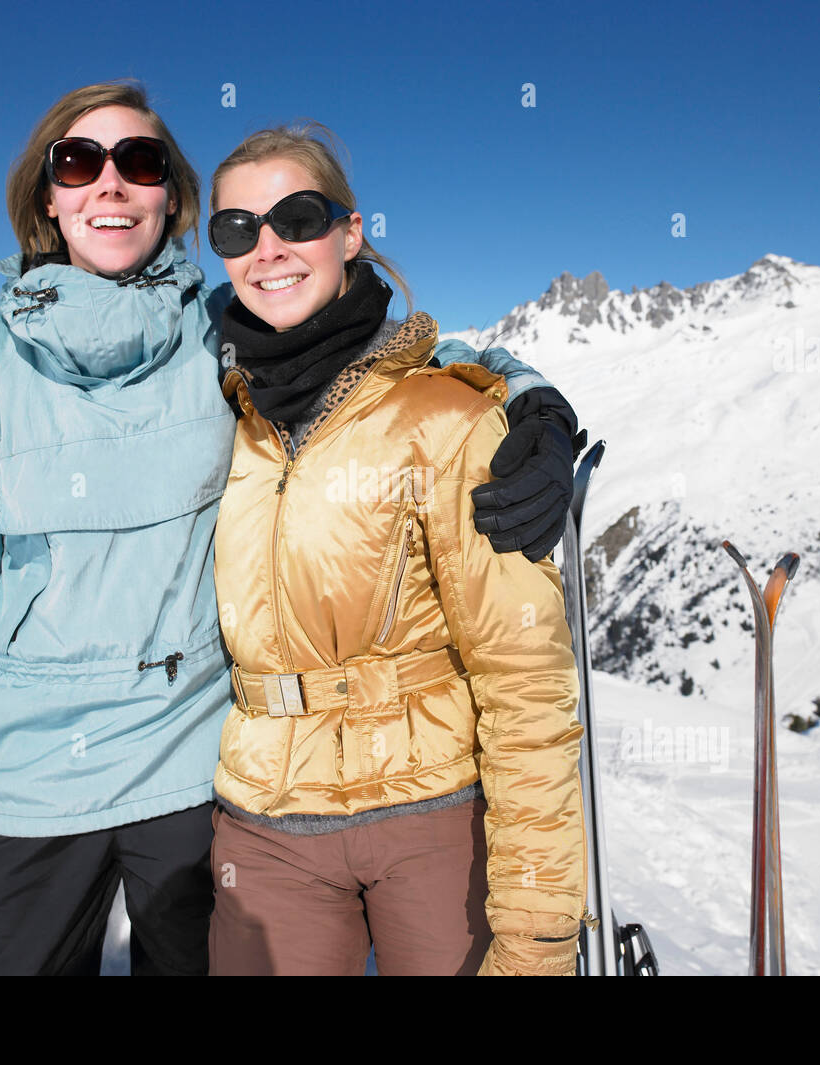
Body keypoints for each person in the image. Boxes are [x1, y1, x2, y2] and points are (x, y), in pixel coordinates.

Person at [0, 81, 583, 976]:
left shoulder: (213, 339)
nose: (110, 184)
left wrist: (528, 398)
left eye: (141, 161)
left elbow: (393, 356)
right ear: (46, 197)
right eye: (80, 162)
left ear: (171, 197)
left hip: (191, 764)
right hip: (33, 771)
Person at [206, 124, 587, 976]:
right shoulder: (220, 409)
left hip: (431, 816)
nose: (266, 248)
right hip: (264, 825)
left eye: (297, 217)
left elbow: (525, 682)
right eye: (235, 230)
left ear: (351, 232)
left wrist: (537, 927)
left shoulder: (449, 417)